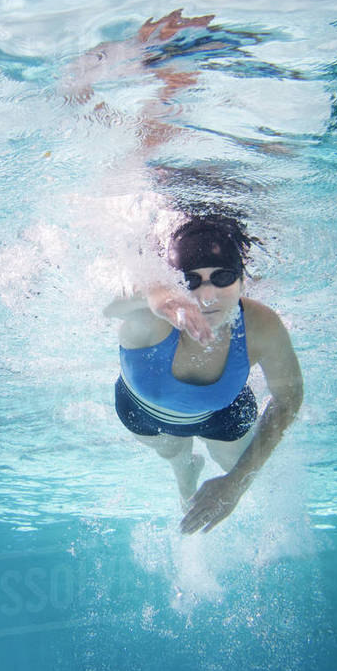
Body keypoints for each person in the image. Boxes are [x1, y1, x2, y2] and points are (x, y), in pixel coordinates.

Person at [105, 214, 303, 534]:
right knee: (174, 453)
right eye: (191, 281)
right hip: (143, 413)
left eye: (222, 277)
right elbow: (110, 308)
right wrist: (154, 296)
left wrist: (236, 484)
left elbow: (289, 398)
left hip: (221, 412)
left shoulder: (261, 325)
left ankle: (204, 472)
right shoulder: (155, 319)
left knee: (236, 462)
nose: (207, 295)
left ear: (242, 281)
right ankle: (184, 473)